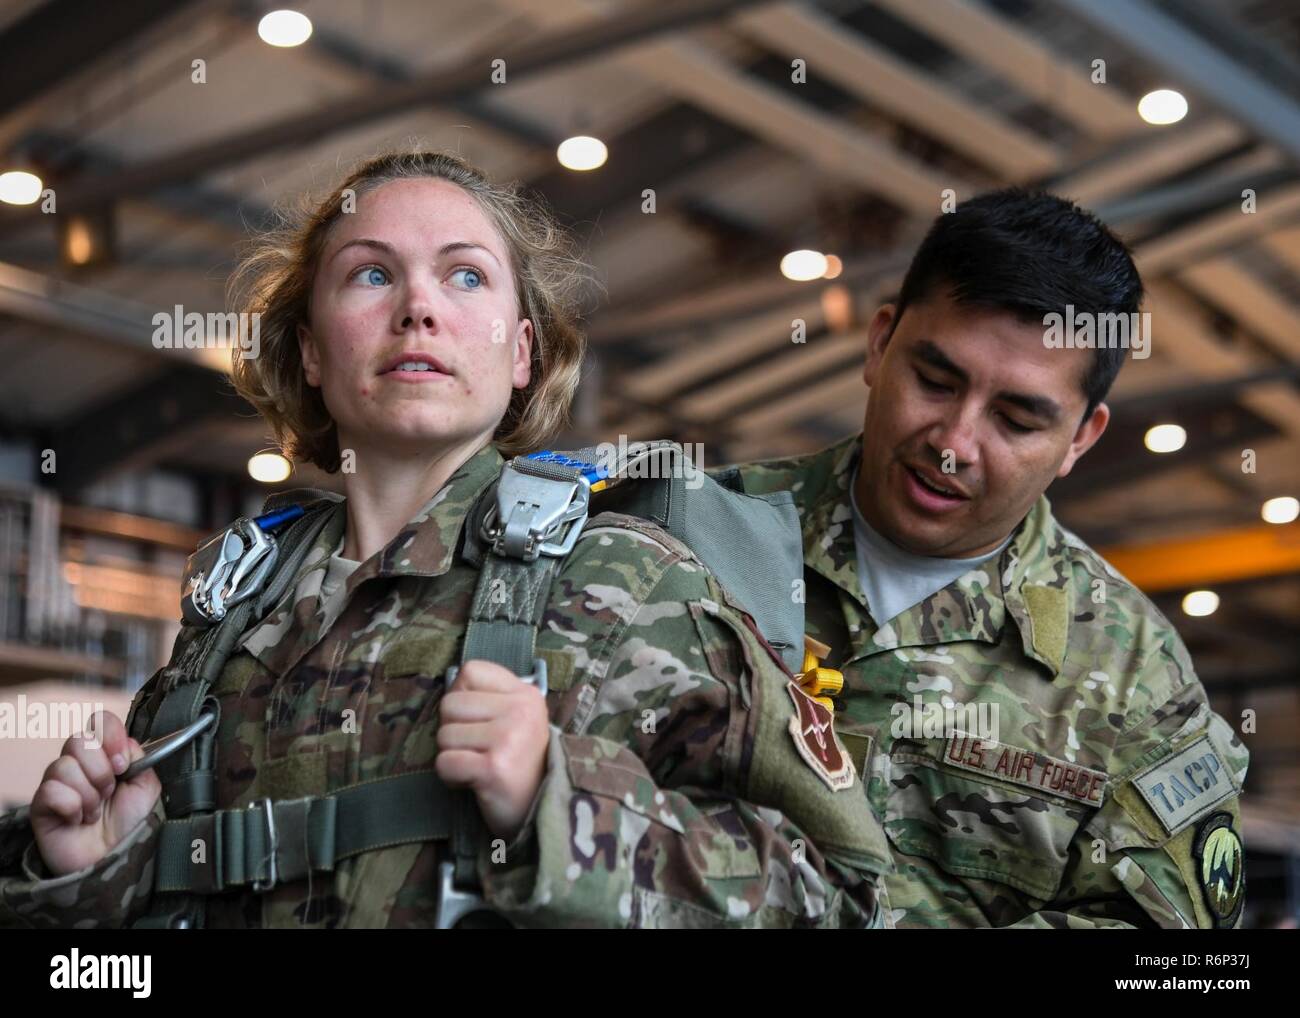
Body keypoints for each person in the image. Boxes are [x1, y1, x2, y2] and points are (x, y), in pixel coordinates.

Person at [0, 150, 889, 929]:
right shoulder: (233, 617)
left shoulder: (628, 584)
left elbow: (844, 893)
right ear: (310, 351)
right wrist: (92, 875)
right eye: (370, 275)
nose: (418, 305)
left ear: (522, 355)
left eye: (465, 276)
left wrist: (560, 805)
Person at [733, 189, 1249, 928]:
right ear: (879, 344)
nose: (954, 441)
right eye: (935, 382)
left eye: (1015, 419)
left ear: (1080, 439)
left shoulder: (1135, 679)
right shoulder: (690, 536)